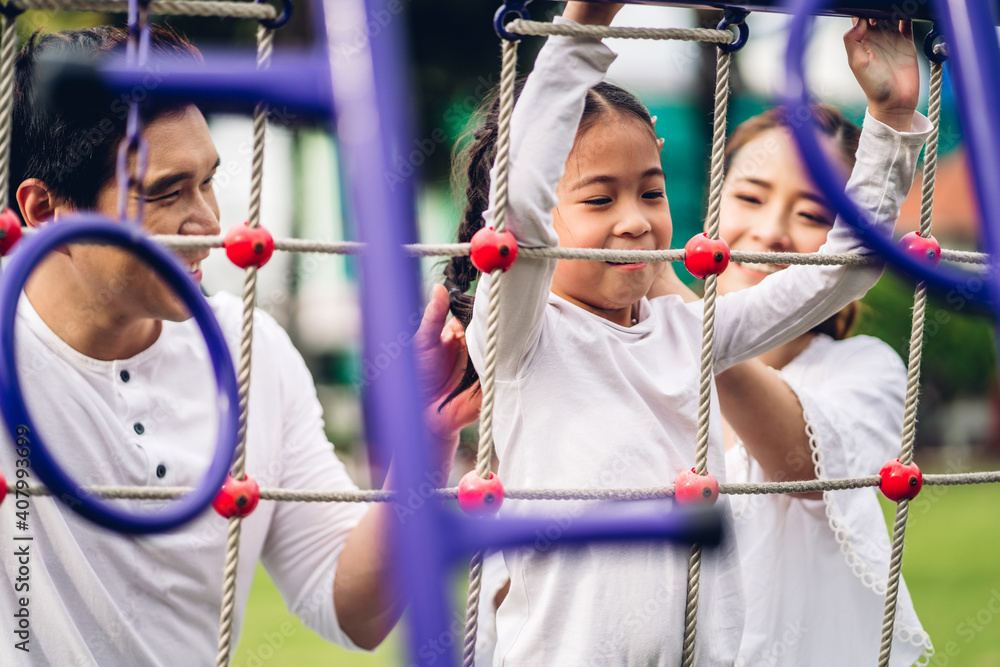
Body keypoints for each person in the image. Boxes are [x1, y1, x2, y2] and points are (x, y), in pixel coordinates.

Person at [443, 2, 930, 664]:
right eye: (598, 198)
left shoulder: (684, 329)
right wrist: (583, 27)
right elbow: (521, 204)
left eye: (650, 191)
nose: (637, 221)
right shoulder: (520, 338)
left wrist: (892, 121)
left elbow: (836, 274)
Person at [0, 25, 478, 665]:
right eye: (167, 192)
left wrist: (427, 438)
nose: (210, 224)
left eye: (208, 181)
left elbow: (353, 610)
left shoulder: (252, 348)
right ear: (44, 208)